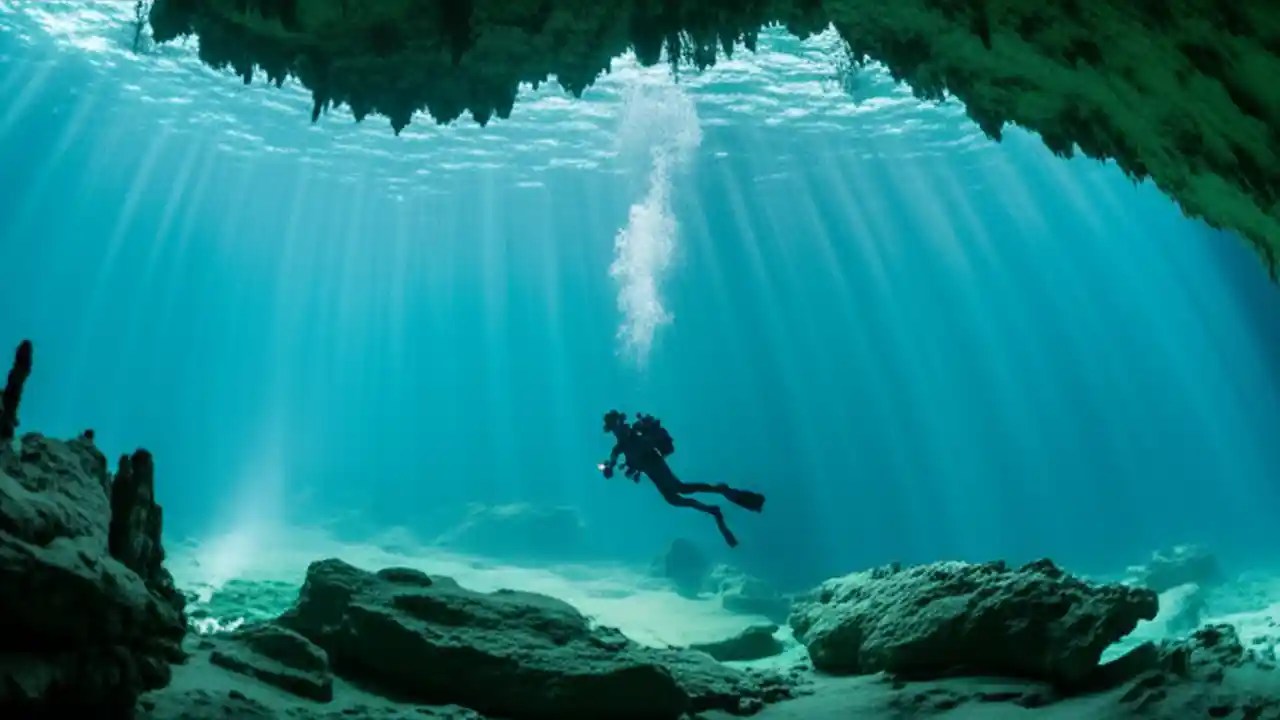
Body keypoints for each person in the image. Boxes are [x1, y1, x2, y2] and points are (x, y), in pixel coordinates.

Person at [599, 409, 765, 548]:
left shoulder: (636, 437)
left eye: (616, 426)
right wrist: (609, 468)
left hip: (658, 469)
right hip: (655, 474)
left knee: (681, 489)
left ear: (620, 424)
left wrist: (645, 441)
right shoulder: (621, 446)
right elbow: (612, 460)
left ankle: (720, 498)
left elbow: (646, 446)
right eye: (613, 429)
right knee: (676, 498)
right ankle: (715, 507)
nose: (616, 431)